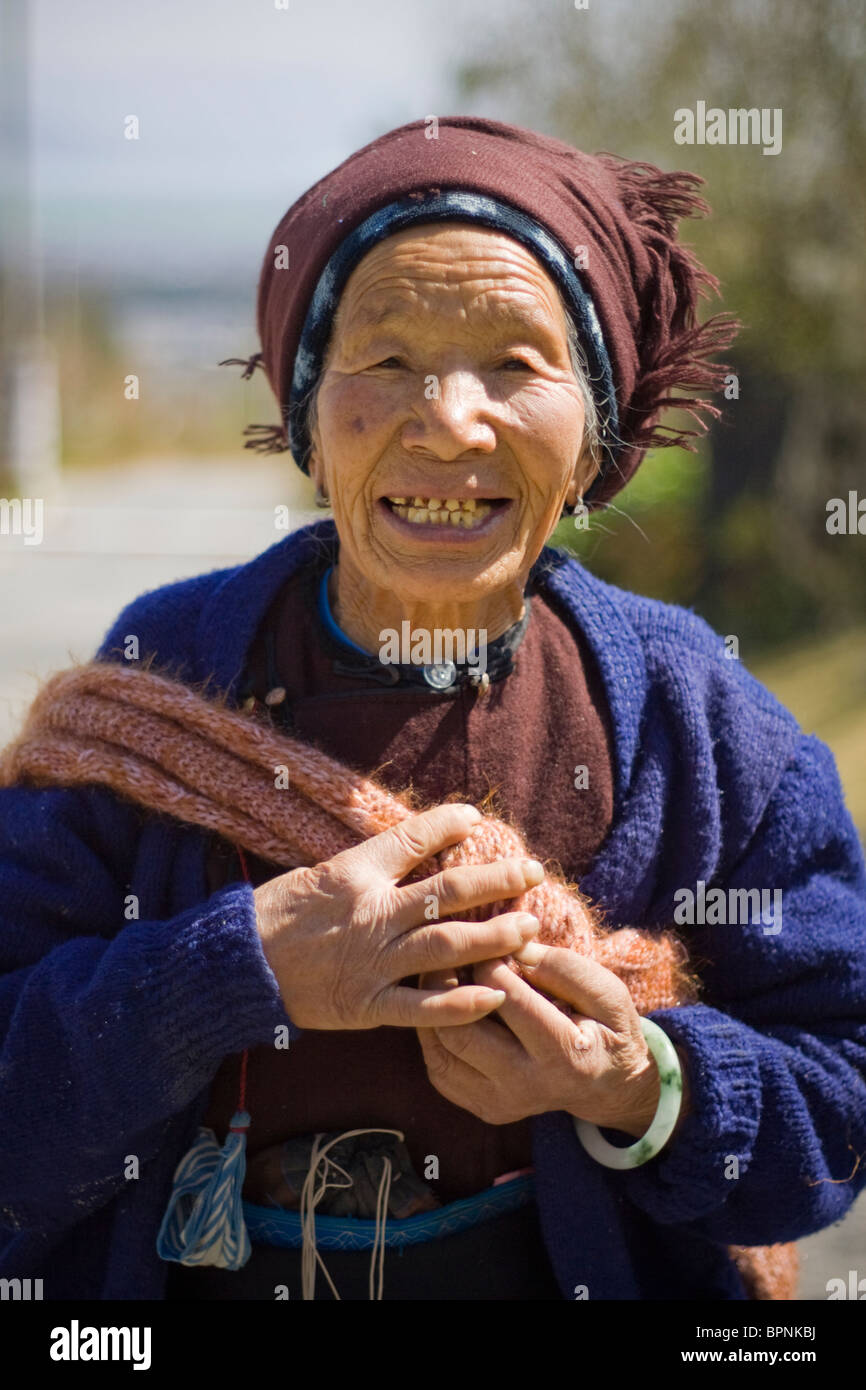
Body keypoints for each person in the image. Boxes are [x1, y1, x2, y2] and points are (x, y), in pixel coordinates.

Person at [1, 117, 864, 1302]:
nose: (448, 419)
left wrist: (634, 1083)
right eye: (387, 360)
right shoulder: (160, 680)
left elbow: (835, 1101)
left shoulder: (699, 723)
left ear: (593, 437)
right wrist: (237, 970)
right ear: (307, 416)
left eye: (515, 362)